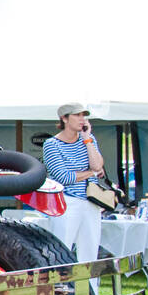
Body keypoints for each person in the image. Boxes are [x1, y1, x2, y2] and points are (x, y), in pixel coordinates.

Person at [42, 103, 105, 279]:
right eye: (77, 115)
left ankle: (91, 293)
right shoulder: (52, 144)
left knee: (90, 250)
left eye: (84, 115)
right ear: (64, 118)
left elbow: (98, 165)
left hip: (91, 201)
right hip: (66, 201)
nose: (82, 119)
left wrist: (87, 139)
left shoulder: (88, 139)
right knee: (62, 249)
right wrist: (91, 173)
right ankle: (59, 291)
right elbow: (63, 177)